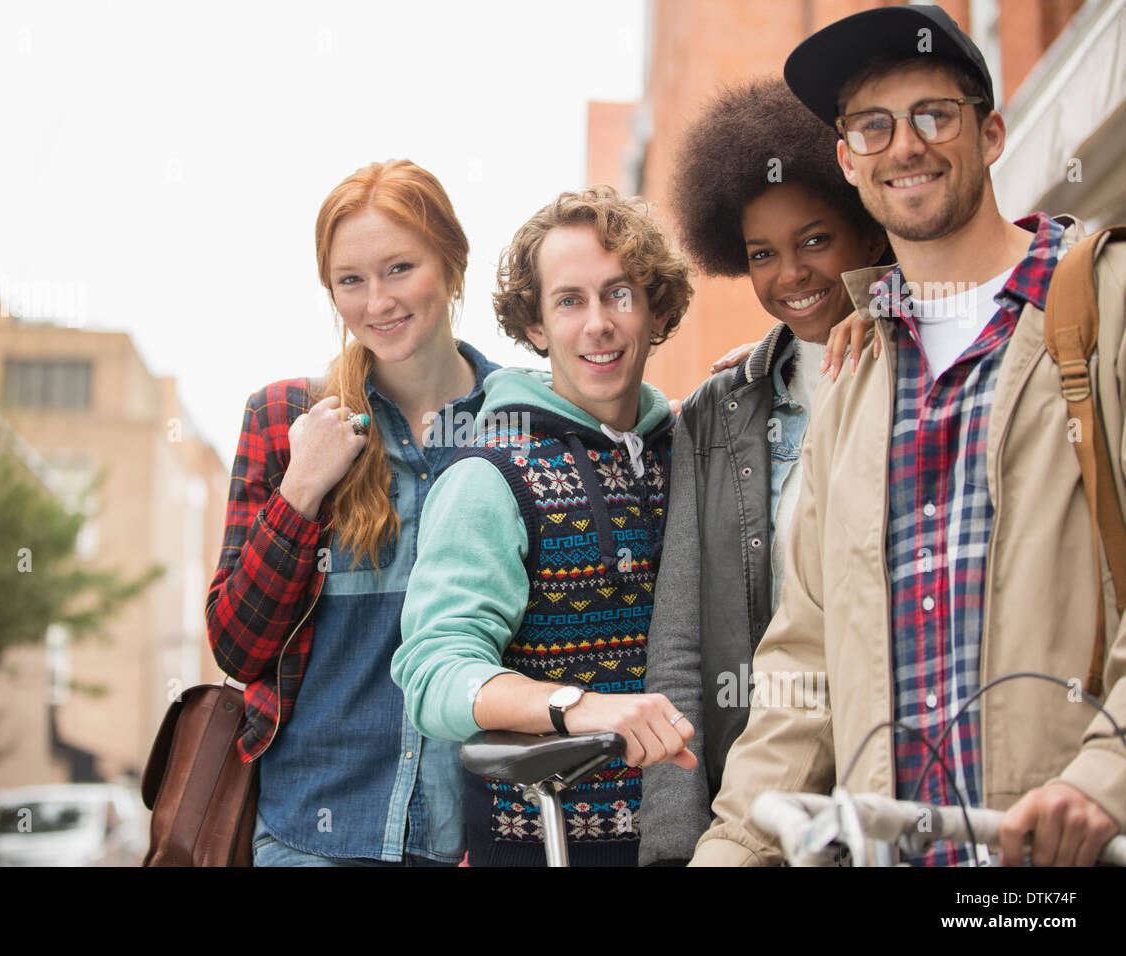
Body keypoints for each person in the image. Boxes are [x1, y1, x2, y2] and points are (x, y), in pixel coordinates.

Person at [693, 4, 1126, 867]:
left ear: (991, 132)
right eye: (874, 126)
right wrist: (734, 846)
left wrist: (1105, 776)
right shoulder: (855, 376)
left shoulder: (1103, 309)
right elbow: (802, 666)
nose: (906, 146)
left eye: (935, 114)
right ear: (848, 160)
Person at [206, 159, 500, 866]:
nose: (377, 302)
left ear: (452, 264)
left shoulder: (517, 423)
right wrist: (300, 490)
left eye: (400, 268)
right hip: (308, 835)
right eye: (351, 280)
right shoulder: (283, 418)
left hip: (469, 839)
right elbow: (236, 646)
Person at [392, 186, 697, 867]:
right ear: (535, 326)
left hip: (700, 841)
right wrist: (574, 705)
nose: (598, 324)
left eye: (620, 294)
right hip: (542, 846)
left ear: (657, 311)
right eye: (569, 300)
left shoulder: (694, 447)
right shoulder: (487, 475)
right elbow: (434, 675)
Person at [638, 77, 887, 867]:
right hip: (767, 797)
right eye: (761, 255)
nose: (791, 273)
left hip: (903, 783)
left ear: (866, 228)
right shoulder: (718, 413)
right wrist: (676, 838)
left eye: (815, 239)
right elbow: (678, 639)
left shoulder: (928, 363)